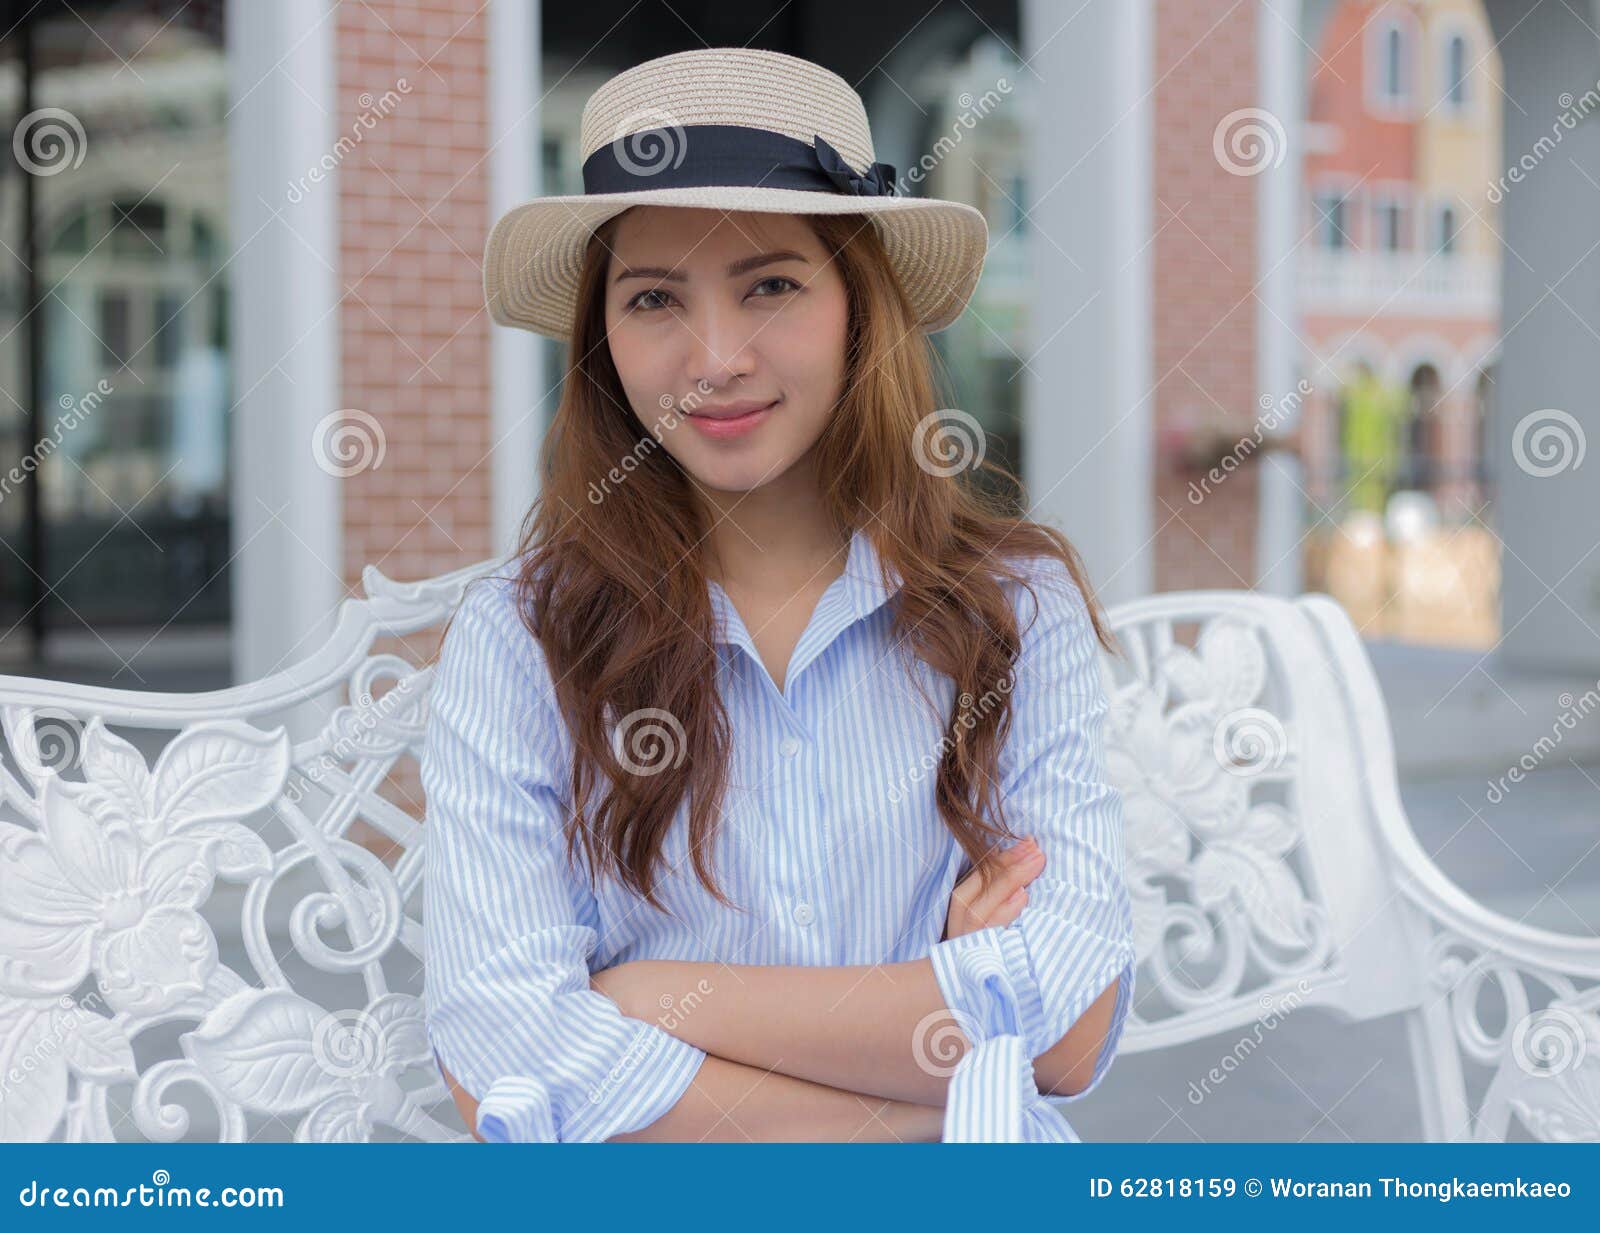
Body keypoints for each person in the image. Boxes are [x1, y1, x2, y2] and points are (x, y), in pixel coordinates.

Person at [421, 46, 1135, 1144]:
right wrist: (908, 1101)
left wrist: (645, 998)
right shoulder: (523, 638)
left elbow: (1070, 1027)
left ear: (861, 306)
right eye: (654, 297)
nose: (715, 358)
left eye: (771, 286)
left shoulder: (1013, 609)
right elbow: (505, 1058)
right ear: (601, 344)